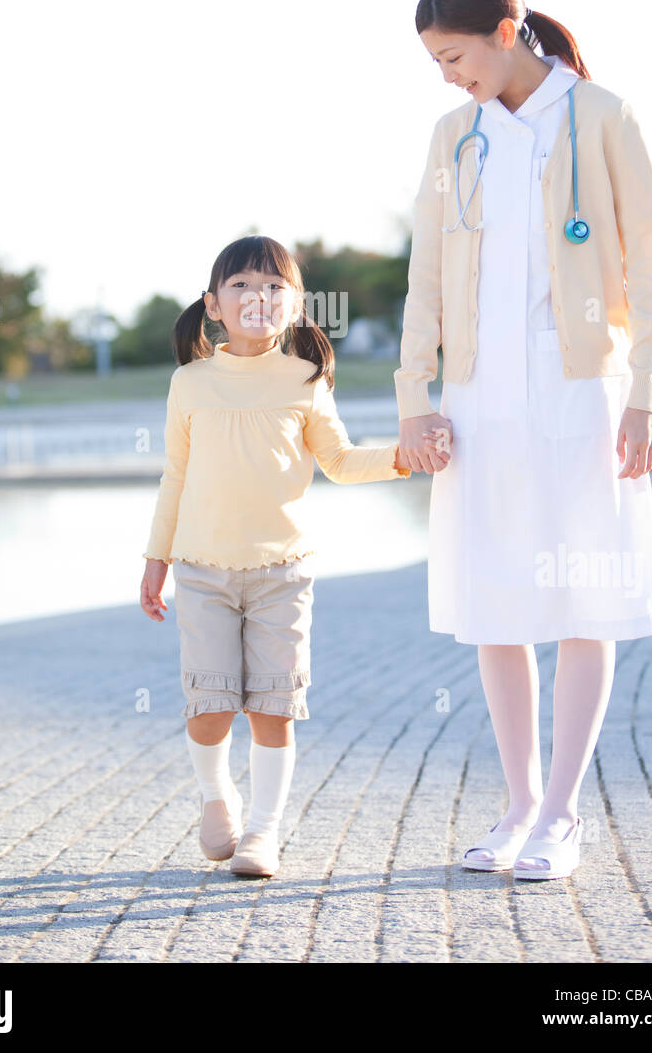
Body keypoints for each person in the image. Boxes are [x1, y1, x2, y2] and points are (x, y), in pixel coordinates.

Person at [394, 0, 652, 880]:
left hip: (579, 391)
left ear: (505, 32)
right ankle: (515, 808)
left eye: (455, 55)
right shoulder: (453, 136)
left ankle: (561, 815)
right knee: (496, 608)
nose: (448, 75)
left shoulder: (600, 117)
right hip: (478, 400)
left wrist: (643, 393)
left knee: (583, 596)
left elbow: (650, 266)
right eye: (436, 62)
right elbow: (427, 280)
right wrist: (416, 400)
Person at [140, 234, 411, 878]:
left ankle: (262, 832)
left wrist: (406, 455)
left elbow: (341, 463)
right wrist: (156, 562)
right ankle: (216, 796)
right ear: (213, 304)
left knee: (271, 708)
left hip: (282, 576)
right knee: (208, 710)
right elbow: (174, 477)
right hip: (202, 573)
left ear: (293, 305)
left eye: (272, 287)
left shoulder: (304, 380)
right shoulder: (191, 383)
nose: (256, 297)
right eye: (241, 285)